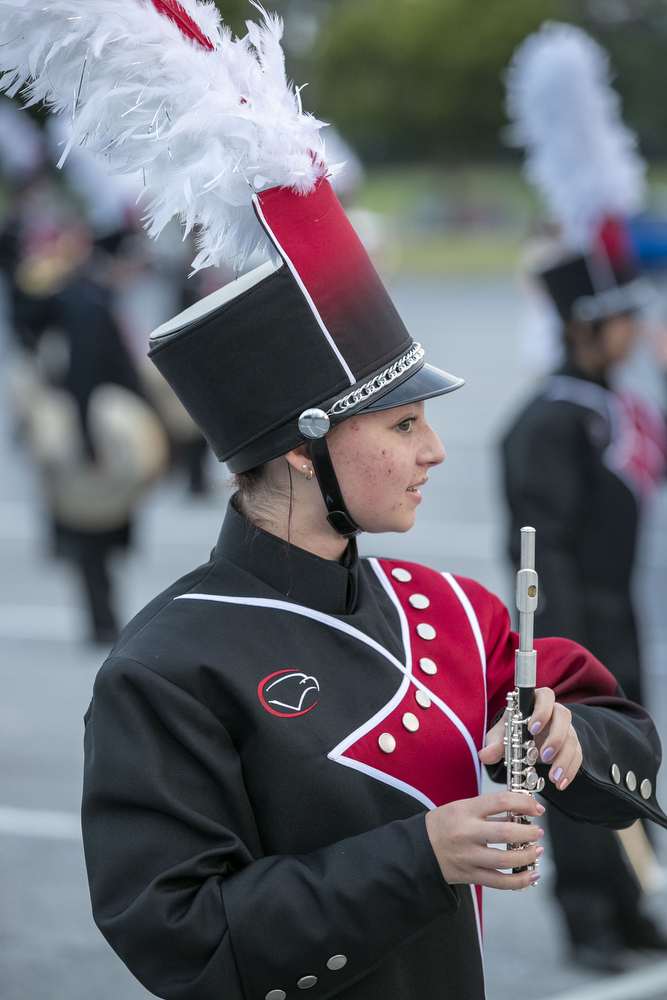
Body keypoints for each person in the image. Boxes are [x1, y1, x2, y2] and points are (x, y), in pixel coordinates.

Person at [5, 3, 666, 997]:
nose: (435, 449)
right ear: (306, 446)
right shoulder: (166, 665)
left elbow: (625, 741)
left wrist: (573, 740)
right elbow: (181, 935)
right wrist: (422, 855)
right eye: (401, 425)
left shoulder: (453, 613)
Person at [502, 22, 667, 971]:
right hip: (571, 634)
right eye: (618, 324)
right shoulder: (549, 421)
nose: (631, 336)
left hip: (624, 618)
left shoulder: (611, 407)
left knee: (629, 768)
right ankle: (588, 922)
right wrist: (556, 654)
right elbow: (541, 548)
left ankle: (632, 901)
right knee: (574, 774)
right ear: (582, 331)